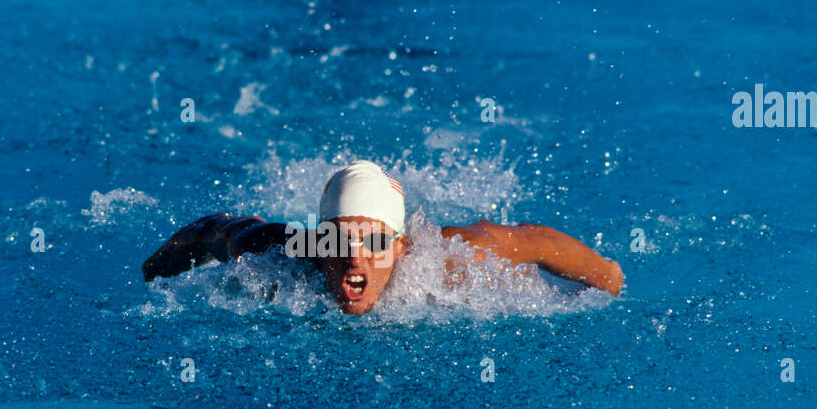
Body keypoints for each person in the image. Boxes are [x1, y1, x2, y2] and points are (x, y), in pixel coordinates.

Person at [142, 160, 623, 314]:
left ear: (400, 245)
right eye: (336, 241)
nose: (354, 257)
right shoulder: (284, 252)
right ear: (315, 241)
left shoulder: (447, 258)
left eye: (373, 243)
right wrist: (152, 273)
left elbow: (535, 242)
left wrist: (607, 277)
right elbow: (214, 229)